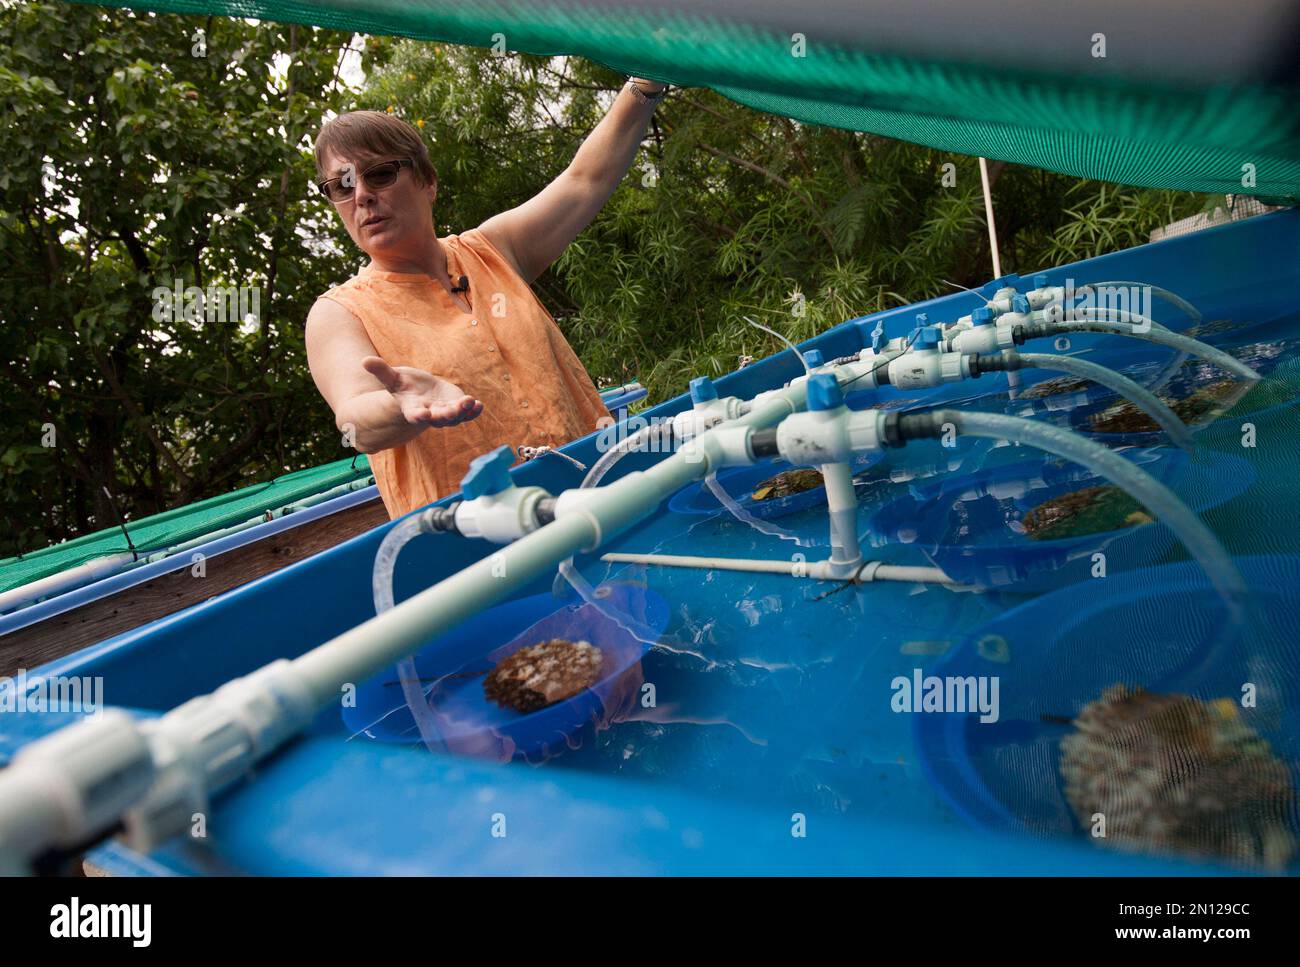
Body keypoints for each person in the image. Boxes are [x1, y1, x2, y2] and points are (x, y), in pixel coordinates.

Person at [305, 77, 669, 518]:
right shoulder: (339, 313)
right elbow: (357, 418)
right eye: (342, 186)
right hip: (481, 555)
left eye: (379, 174)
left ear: (428, 182)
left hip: (599, 505)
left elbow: (585, 180)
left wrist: (644, 86)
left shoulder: (493, 250)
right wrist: (400, 405)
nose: (362, 194)